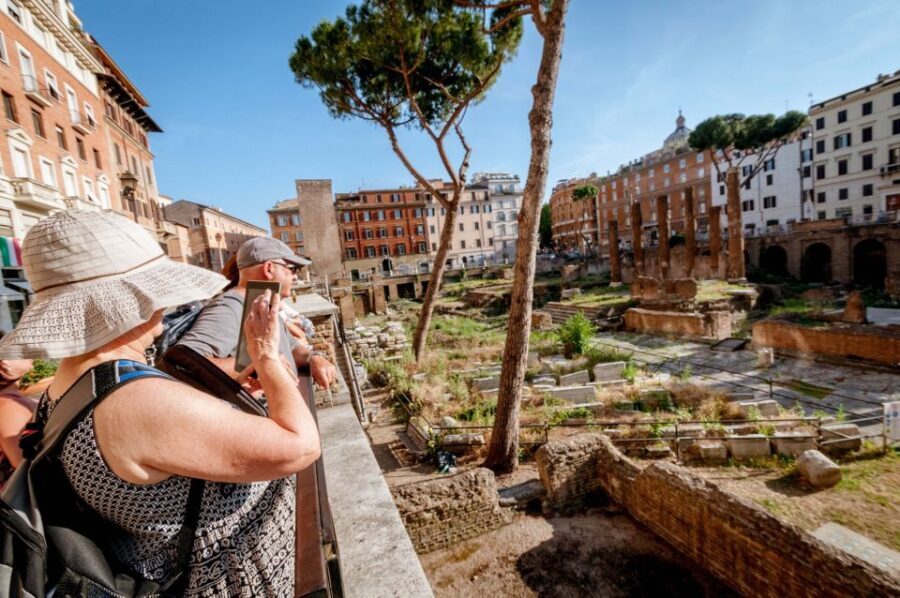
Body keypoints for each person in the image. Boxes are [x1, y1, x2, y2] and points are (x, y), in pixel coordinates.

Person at [0, 209, 320, 595]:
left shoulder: (74, 383)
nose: (165, 306)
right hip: (221, 581)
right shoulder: (132, 399)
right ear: (133, 300)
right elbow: (301, 446)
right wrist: (265, 355)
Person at [177, 237, 337, 389]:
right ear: (269, 268)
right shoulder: (230, 307)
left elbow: (292, 347)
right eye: (292, 269)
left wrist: (313, 357)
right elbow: (184, 363)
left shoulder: (262, 303)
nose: (295, 277)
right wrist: (264, 363)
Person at [0, 356, 35, 489]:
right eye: (18, 350)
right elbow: (26, 466)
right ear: (4, 363)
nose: (28, 353)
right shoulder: (8, 407)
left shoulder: (10, 400)